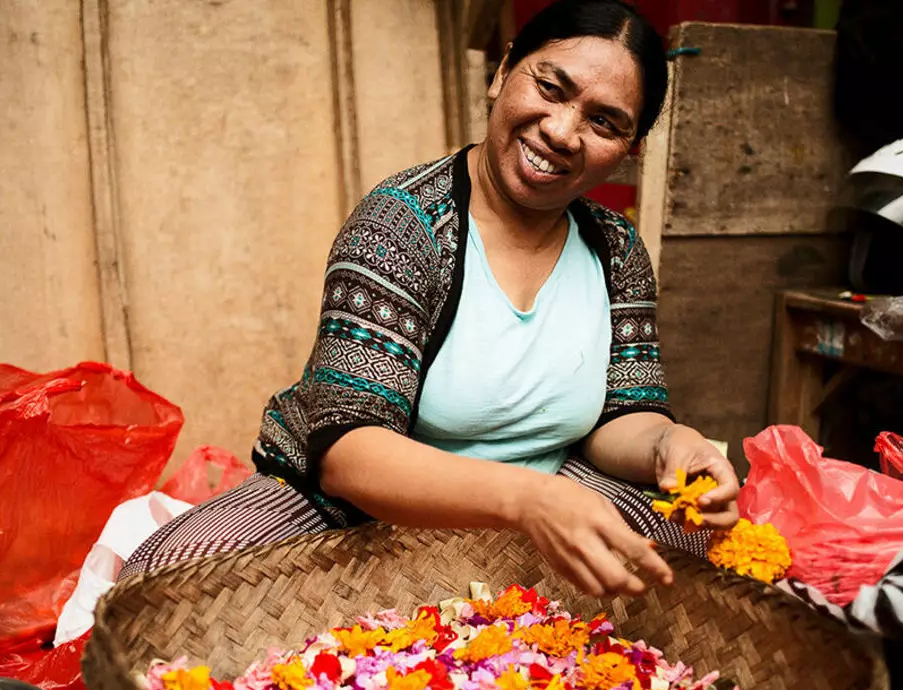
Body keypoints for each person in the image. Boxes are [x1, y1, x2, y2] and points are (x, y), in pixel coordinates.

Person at [121, 0, 740, 597]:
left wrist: (666, 444)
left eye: (604, 122)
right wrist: (526, 502)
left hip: (549, 488)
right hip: (367, 511)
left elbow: (620, 415)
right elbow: (348, 452)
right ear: (503, 73)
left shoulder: (615, 249)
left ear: (628, 150)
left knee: (687, 543)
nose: (561, 131)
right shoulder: (404, 225)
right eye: (550, 88)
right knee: (163, 580)